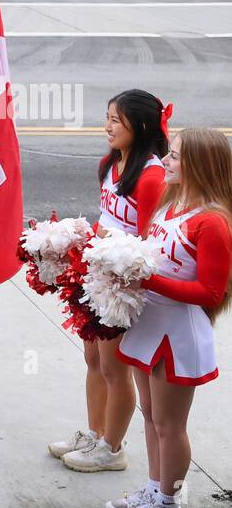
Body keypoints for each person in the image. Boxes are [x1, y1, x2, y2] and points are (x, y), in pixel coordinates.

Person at [111, 128, 232, 508]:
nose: (165, 160)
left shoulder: (212, 222)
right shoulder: (169, 204)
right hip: (149, 322)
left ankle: (168, 499)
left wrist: (148, 280)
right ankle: (153, 487)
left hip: (178, 332)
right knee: (150, 416)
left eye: (175, 156)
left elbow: (212, 293)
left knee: (169, 424)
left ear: (199, 164)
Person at [52, 90, 167, 473]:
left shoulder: (151, 177)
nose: (107, 127)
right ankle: (94, 433)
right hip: (97, 277)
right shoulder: (110, 163)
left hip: (123, 287)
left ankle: (112, 448)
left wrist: (118, 271)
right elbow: (107, 220)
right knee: (92, 359)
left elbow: (151, 243)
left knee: (115, 368)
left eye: (115, 120)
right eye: (108, 118)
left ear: (141, 126)